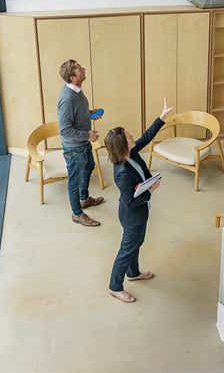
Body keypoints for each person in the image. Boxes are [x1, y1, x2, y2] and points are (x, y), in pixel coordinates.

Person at [104, 98, 174, 303]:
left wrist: (161, 118)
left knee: (137, 242)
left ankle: (133, 273)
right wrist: (150, 190)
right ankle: (114, 286)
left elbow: (145, 137)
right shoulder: (122, 173)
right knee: (127, 249)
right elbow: (131, 200)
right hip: (133, 214)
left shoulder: (130, 152)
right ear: (122, 145)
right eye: (128, 136)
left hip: (139, 213)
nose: (132, 135)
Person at [57, 59, 104, 227]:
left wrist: (90, 114)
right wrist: (87, 135)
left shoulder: (77, 91)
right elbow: (64, 130)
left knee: (90, 165)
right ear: (72, 77)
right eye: (79, 69)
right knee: (74, 180)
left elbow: (78, 113)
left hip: (82, 143)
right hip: (74, 147)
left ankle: (84, 199)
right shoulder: (67, 99)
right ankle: (77, 213)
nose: (83, 69)